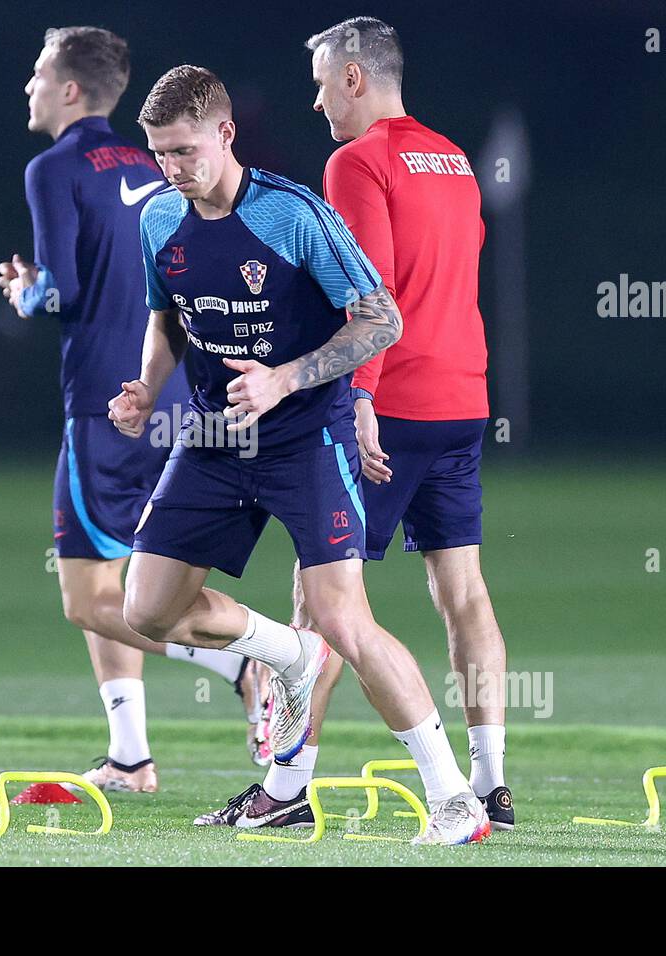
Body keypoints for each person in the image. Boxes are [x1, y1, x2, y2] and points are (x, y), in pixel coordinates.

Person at [108, 64, 490, 844]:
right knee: (145, 609)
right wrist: (147, 389)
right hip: (215, 438)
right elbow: (167, 319)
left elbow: (381, 320)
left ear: (225, 134)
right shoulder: (157, 221)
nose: (172, 169)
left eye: (184, 150)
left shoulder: (294, 215)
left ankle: (455, 800)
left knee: (345, 620)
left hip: (306, 438)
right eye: (159, 154)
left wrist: (285, 379)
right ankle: (290, 656)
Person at [197, 17, 514, 831]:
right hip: (464, 398)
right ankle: (490, 784)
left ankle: (284, 788)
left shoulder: (357, 162)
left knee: (320, 605)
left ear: (352, 78)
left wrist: (362, 400)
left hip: (389, 404)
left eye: (319, 82)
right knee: (465, 594)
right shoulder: (452, 157)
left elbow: (367, 297)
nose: (313, 101)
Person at [0, 28, 271, 794]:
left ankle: (244, 661)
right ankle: (128, 755)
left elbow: (65, 290)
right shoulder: (153, 166)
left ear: (71, 91)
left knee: (87, 596)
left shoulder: (54, 166)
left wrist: (25, 293)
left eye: (39, 74)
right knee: (128, 580)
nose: (30, 88)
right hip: (176, 396)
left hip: (107, 404)